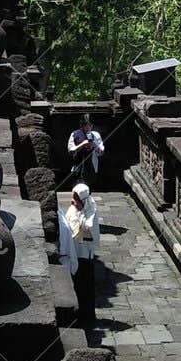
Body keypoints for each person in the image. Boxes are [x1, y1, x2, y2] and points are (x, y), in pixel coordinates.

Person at [64, 181, 100, 328]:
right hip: (74, 251)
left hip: (85, 253)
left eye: (76, 199)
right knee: (76, 283)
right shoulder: (73, 209)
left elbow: (90, 229)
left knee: (86, 285)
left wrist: (81, 219)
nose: (73, 202)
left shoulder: (92, 211)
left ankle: (88, 315)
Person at [67, 114, 104, 184]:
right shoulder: (75, 134)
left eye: (90, 125)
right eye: (85, 125)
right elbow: (70, 151)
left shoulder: (96, 135)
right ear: (82, 125)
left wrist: (94, 145)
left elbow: (101, 152)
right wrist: (82, 145)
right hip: (77, 168)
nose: (88, 128)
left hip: (91, 169)